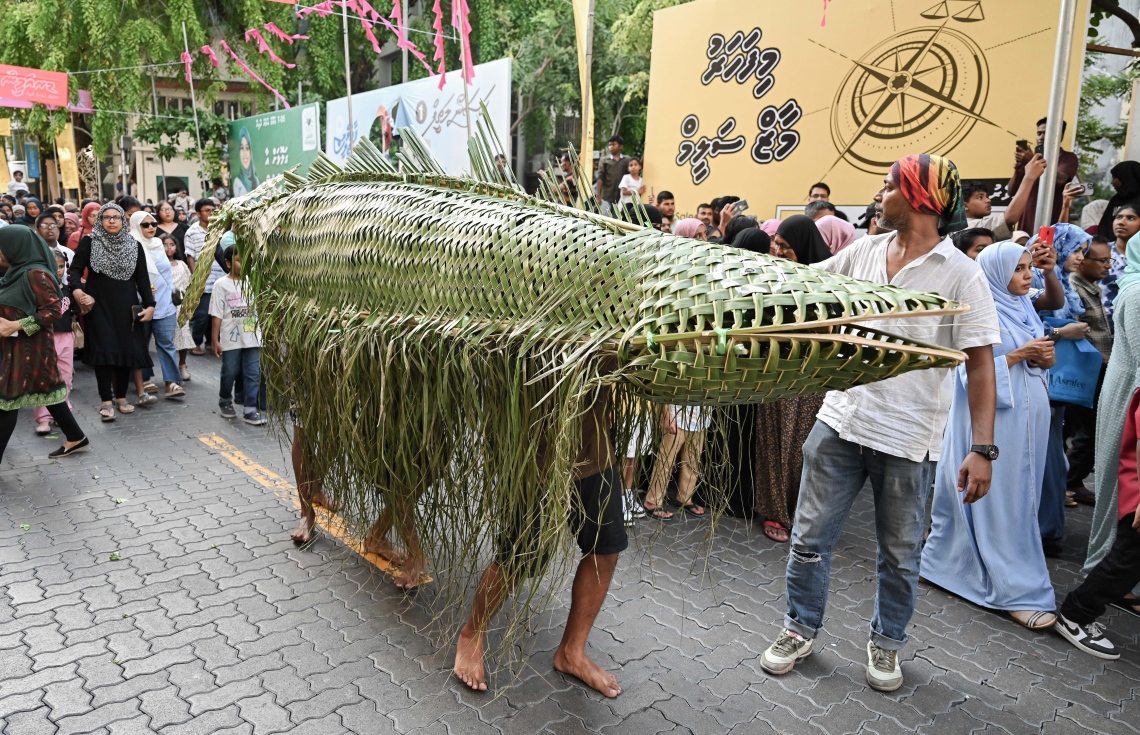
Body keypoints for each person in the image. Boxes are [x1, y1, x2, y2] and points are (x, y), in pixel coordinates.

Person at [759, 154, 999, 693]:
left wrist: (983, 449)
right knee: (808, 539)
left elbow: (981, 364)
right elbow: (797, 283)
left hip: (909, 438)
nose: (878, 192)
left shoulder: (961, 275)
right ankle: (798, 628)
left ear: (920, 197)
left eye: (889, 185)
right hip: (840, 422)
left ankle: (887, 643)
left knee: (899, 554)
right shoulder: (864, 251)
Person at [453, 385, 627, 698]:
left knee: (607, 548)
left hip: (593, 445)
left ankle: (571, 652)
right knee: (518, 559)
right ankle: (472, 632)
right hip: (532, 449)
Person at [921, 241, 1057, 628]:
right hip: (991, 421)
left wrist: (1047, 357)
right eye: (1018, 269)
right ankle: (1014, 587)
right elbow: (964, 370)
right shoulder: (980, 307)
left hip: (1028, 421)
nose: (1027, 275)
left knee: (1018, 496)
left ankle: (950, 567)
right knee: (996, 499)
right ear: (996, 272)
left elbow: (1039, 357)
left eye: (1029, 267)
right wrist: (1017, 355)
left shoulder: (1024, 305)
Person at [1060, 233, 1140, 655]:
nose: (1107, 264)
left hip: (1124, 391)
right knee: (1124, 518)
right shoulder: (1137, 292)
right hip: (1129, 396)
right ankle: (1081, 608)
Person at [754, 215, 832, 543]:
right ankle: (774, 511)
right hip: (777, 374)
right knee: (775, 445)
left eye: (787, 247)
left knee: (806, 446)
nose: (779, 252)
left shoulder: (828, 279)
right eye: (777, 246)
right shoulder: (772, 277)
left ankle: (800, 510)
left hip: (813, 376)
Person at [0, 226, 88, 459]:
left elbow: (54, 311)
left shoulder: (36, 274)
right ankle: (75, 436)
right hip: (17, 347)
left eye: (3, 246)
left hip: (32, 348)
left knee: (8, 400)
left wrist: (15, 326)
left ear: (17, 247)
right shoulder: (14, 272)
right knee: (47, 390)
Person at [68, 203, 156, 421]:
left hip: (126, 306)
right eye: (106, 217)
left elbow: (143, 278)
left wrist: (151, 305)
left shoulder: (134, 245)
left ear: (123, 221)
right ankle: (106, 400)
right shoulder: (90, 242)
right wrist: (78, 291)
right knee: (103, 351)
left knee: (125, 349)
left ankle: (121, 398)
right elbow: (75, 269)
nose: (111, 221)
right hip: (98, 305)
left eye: (116, 217)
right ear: (99, 220)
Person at [1063, 237, 1114, 505]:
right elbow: (1075, 331)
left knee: (1089, 428)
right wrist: (1099, 355)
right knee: (1087, 427)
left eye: (1109, 260)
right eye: (1101, 260)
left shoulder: (1092, 286)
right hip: (1084, 370)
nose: (1107, 265)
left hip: (1098, 367)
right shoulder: (1074, 287)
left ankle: (1072, 480)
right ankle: (1067, 481)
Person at [210, 242, 266, 426]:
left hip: (252, 334)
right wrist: (215, 339)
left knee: (253, 372)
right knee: (230, 371)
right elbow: (217, 313)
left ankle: (250, 409)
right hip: (230, 335)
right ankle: (225, 399)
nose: (244, 264)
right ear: (228, 263)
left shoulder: (255, 281)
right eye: (239, 260)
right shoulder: (221, 284)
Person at [130, 211, 185, 400]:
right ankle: (144, 380)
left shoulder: (158, 245)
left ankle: (172, 382)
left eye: (153, 223)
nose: (151, 227)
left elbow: (165, 273)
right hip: (142, 304)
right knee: (141, 345)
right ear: (137, 226)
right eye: (145, 225)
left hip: (164, 302)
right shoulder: (131, 245)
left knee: (167, 343)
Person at [29, 250, 79, 436]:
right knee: (44, 378)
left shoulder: (68, 290)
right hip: (44, 338)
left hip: (65, 336)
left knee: (65, 376)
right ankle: (43, 418)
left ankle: (62, 412)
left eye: (60, 266)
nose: (56, 270)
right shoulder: (37, 290)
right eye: (52, 265)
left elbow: (77, 310)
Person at [1008, 118, 1079, 232]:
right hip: (1027, 220)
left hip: (1052, 220)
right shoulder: (1030, 160)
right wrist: (1018, 170)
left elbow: (1061, 180)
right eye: (1039, 133)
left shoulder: (1068, 157)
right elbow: (1011, 191)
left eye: (1046, 133)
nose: (1041, 137)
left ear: (1059, 135)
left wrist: (1032, 160)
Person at [964, 157, 1046, 240]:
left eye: (987, 197)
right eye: (980, 197)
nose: (988, 200)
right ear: (964, 206)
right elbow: (1009, 218)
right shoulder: (967, 227)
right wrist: (1029, 177)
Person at [184, 198, 218, 353]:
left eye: (213, 209)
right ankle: (196, 343)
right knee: (202, 314)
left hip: (219, 277)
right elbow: (190, 256)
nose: (211, 213)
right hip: (203, 280)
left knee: (216, 313)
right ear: (198, 213)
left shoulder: (219, 230)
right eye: (207, 210)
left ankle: (212, 342)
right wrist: (196, 278)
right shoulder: (192, 232)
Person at [1102, 202, 1140, 319]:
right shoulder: (1100, 252)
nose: (1121, 222)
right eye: (1118, 217)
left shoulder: (1137, 259)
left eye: (1130, 218)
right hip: (1098, 322)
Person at [165, 235, 194, 381]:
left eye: (172, 244)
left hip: (180, 305)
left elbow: (188, 285)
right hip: (164, 304)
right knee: (167, 337)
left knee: (183, 334)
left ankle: (182, 364)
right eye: (165, 244)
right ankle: (170, 369)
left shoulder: (182, 264)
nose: (169, 248)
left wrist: (189, 305)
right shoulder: (157, 263)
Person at [1096, 161, 1140, 238]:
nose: (1112, 182)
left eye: (1114, 178)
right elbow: (1104, 225)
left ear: (1126, 177)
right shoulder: (1116, 199)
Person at [595, 135, 628, 217]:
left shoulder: (626, 160)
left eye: (613, 145)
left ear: (620, 146)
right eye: (609, 145)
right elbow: (600, 178)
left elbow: (637, 167)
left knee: (616, 221)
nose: (611, 147)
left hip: (620, 197)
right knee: (604, 220)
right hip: (606, 196)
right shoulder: (604, 160)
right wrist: (598, 196)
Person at [233, 129, 259, 197]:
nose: (244, 153)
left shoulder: (255, 179)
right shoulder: (237, 182)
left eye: (247, 148)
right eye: (242, 148)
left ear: (251, 152)